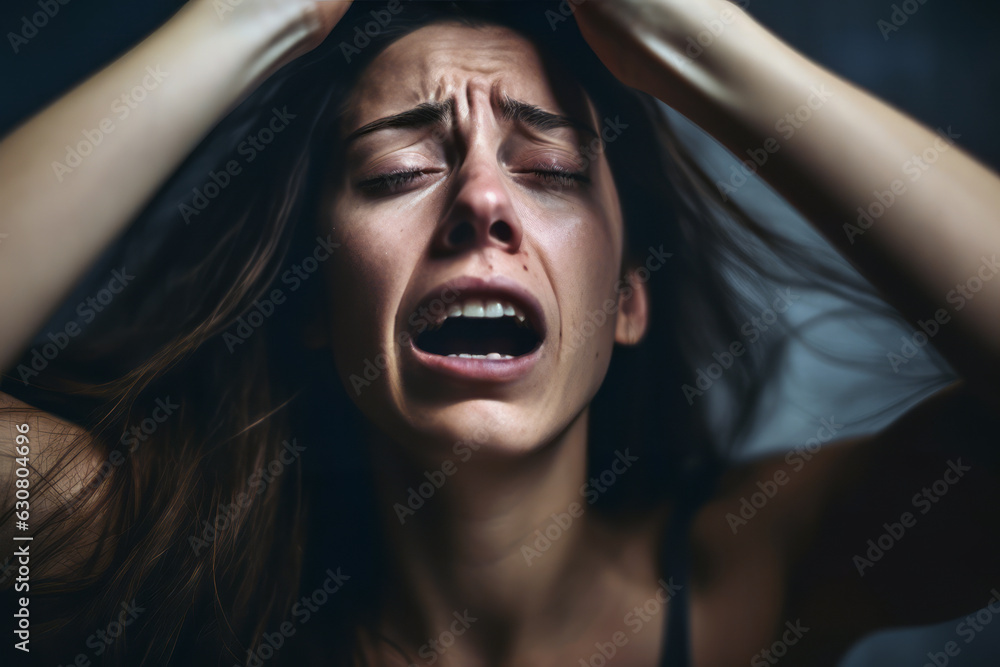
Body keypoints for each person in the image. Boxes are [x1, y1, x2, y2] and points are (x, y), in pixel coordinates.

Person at [1, 1, 998, 665]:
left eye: (554, 171)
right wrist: (245, 23)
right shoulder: (163, 564)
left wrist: (704, 47)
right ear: (309, 299)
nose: (481, 196)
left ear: (626, 300)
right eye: (395, 173)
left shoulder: (758, 573)